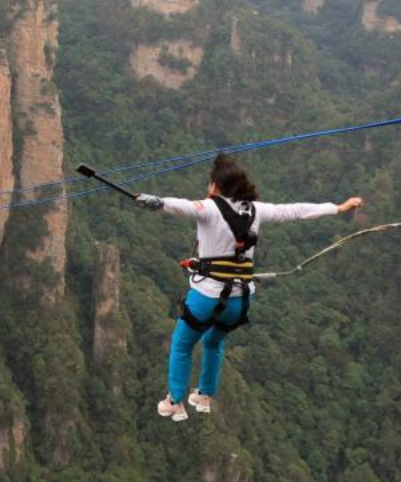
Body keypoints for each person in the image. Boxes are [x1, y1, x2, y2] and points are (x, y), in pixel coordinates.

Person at [136, 154, 364, 421]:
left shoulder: (209, 208)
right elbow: (296, 211)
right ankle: (204, 395)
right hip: (239, 301)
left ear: (216, 187)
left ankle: (175, 401)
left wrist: (156, 202)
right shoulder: (257, 210)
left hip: (207, 296)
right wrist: (338, 207)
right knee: (213, 342)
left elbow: (181, 207)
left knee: (182, 344)